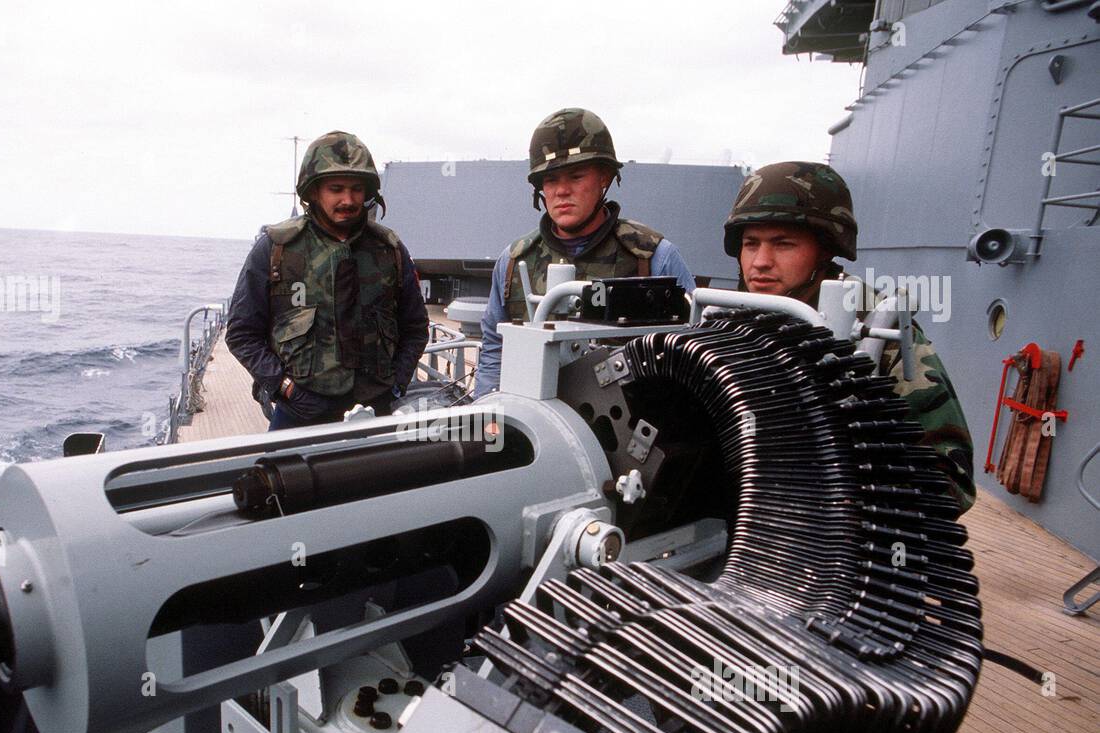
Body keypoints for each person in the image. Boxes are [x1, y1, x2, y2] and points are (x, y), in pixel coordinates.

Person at [722, 161, 976, 513]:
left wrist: (846, 495)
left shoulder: (877, 330)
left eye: (783, 244)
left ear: (826, 249)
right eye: (751, 244)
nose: (760, 262)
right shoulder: (725, 317)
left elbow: (950, 477)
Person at [474, 108, 696, 397]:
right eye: (551, 180)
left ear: (604, 178)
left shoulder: (652, 256)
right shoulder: (514, 260)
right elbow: (495, 345)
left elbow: (692, 349)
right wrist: (490, 413)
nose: (562, 191)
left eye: (576, 176)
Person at [227, 131, 429, 430]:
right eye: (336, 188)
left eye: (357, 189)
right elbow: (242, 333)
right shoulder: (276, 249)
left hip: (375, 410)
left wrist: (396, 384)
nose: (347, 200)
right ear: (314, 191)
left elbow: (414, 327)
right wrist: (285, 388)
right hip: (299, 411)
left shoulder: (390, 251)